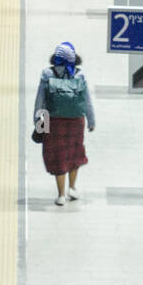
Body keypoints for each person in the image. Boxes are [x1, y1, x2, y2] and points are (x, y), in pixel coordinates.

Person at [33, 42, 96, 205]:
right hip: (76, 121)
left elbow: (40, 100)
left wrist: (38, 121)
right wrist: (91, 121)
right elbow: (86, 100)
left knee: (58, 156)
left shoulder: (47, 74)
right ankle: (72, 188)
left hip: (54, 121)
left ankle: (61, 195)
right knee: (74, 153)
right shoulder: (79, 75)